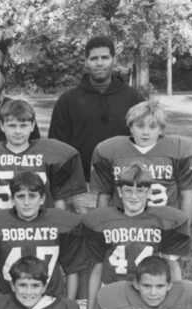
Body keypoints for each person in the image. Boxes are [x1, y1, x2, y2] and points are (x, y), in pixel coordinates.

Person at [48, 35, 146, 214]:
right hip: (84, 185)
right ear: (86, 62)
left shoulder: (133, 98)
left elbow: (146, 141)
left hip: (126, 183)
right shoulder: (68, 101)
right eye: (94, 58)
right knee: (89, 236)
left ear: (113, 60)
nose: (99, 63)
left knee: (122, 236)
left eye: (104, 57)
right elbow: (57, 148)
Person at [82, 164, 189, 309]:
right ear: (120, 192)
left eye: (140, 191)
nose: (134, 196)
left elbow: (172, 267)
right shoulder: (102, 221)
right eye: (128, 190)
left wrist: (176, 307)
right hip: (112, 290)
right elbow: (97, 271)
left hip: (147, 293)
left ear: (149, 193)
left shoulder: (162, 221)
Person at [0, 99, 85, 216]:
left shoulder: (52, 154)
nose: (17, 131)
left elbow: (59, 198)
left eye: (23, 125)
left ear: (32, 126)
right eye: (12, 125)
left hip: (41, 225)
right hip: (0, 224)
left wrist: (58, 228)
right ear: (1, 125)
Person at [0, 171, 85, 299]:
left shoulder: (62, 222)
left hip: (51, 298)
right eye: (21, 196)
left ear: (42, 199)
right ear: (12, 199)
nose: (26, 202)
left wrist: (69, 302)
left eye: (32, 196)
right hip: (8, 298)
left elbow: (72, 269)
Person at [91, 100, 192, 222]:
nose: (145, 132)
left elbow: (187, 194)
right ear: (130, 128)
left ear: (161, 129)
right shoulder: (109, 150)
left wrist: (183, 229)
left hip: (164, 223)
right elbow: (104, 194)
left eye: (152, 127)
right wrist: (100, 226)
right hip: (122, 224)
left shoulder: (181, 149)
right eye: (139, 126)